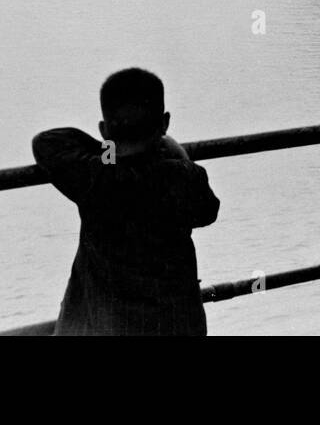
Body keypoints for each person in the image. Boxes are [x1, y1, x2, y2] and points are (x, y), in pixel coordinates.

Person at [32, 67, 220, 335]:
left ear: (104, 129)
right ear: (165, 123)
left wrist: (109, 147)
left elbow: (49, 141)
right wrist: (178, 155)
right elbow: (208, 211)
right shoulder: (185, 177)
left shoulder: (97, 177)